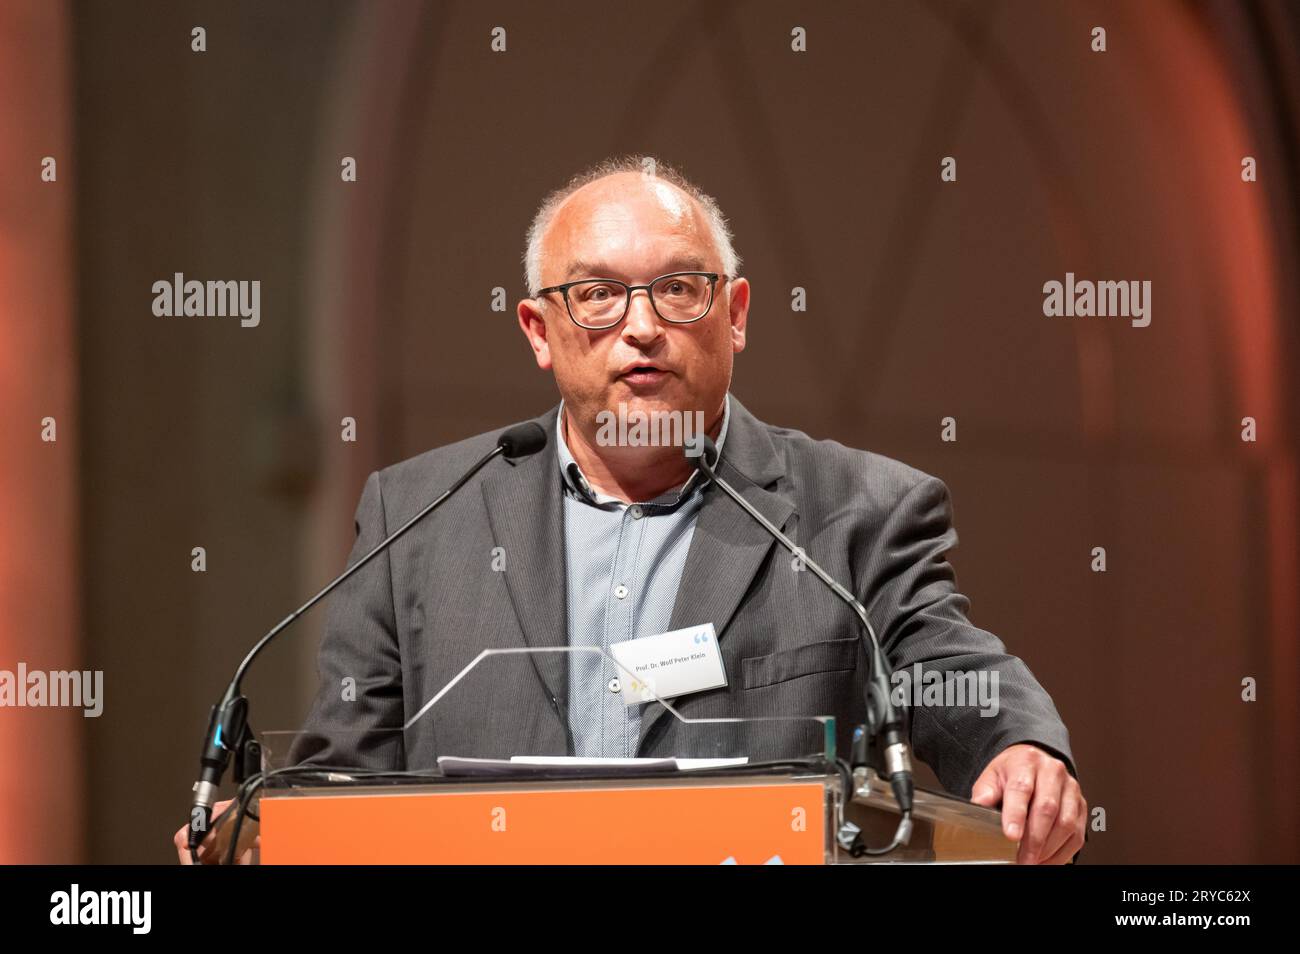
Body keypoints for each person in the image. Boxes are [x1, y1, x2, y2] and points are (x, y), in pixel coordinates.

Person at [176, 156, 1086, 865]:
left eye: (678, 289)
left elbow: (947, 667)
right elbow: (343, 777)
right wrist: (260, 828)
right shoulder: (420, 516)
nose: (641, 326)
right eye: (597, 295)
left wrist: (1020, 749)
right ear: (540, 330)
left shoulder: (858, 512)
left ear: (735, 315)